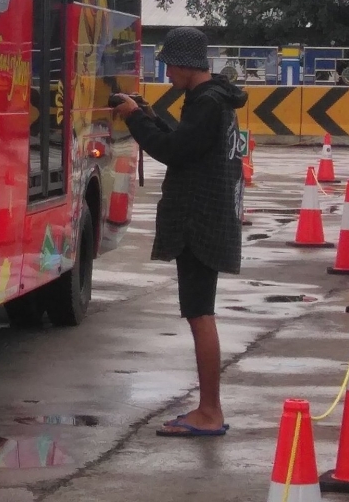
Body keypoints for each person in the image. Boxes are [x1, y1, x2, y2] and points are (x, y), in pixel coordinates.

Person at [112, 26, 247, 438]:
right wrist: (151, 117)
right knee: (198, 312)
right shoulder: (211, 99)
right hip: (209, 218)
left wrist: (135, 120)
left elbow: (173, 152)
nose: (166, 72)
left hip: (200, 222)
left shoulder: (207, 103)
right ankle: (208, 409)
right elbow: (187, 144)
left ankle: (210, 411)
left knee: (199, 314)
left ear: (187, 63)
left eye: (169, 64)